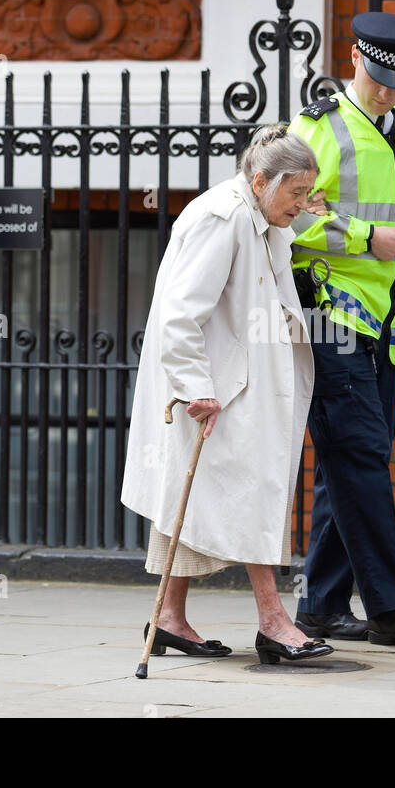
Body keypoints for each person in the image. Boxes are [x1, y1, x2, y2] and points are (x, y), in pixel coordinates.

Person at [120, 124, 334, 666]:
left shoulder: (255, 212)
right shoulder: (227, 217)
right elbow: (180, 313)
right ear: (261, 180)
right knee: (249, 494)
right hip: (217, 392)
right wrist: (195, 388)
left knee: (190, 497)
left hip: (232, 385)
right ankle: (274, 622)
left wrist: (303, 211)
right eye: (296, 193)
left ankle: (169, 617)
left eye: (308, 193)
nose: (303, 204)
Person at [286, 11, 395, 645]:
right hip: (334, 317)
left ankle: (322, 607)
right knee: (359, 455)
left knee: (348, 463)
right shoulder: (314, 131)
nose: (386, 91)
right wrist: (361, 236)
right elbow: (282, 214)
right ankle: (391, 607)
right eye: (378, 76)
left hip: (392, 327)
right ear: (355, 58)